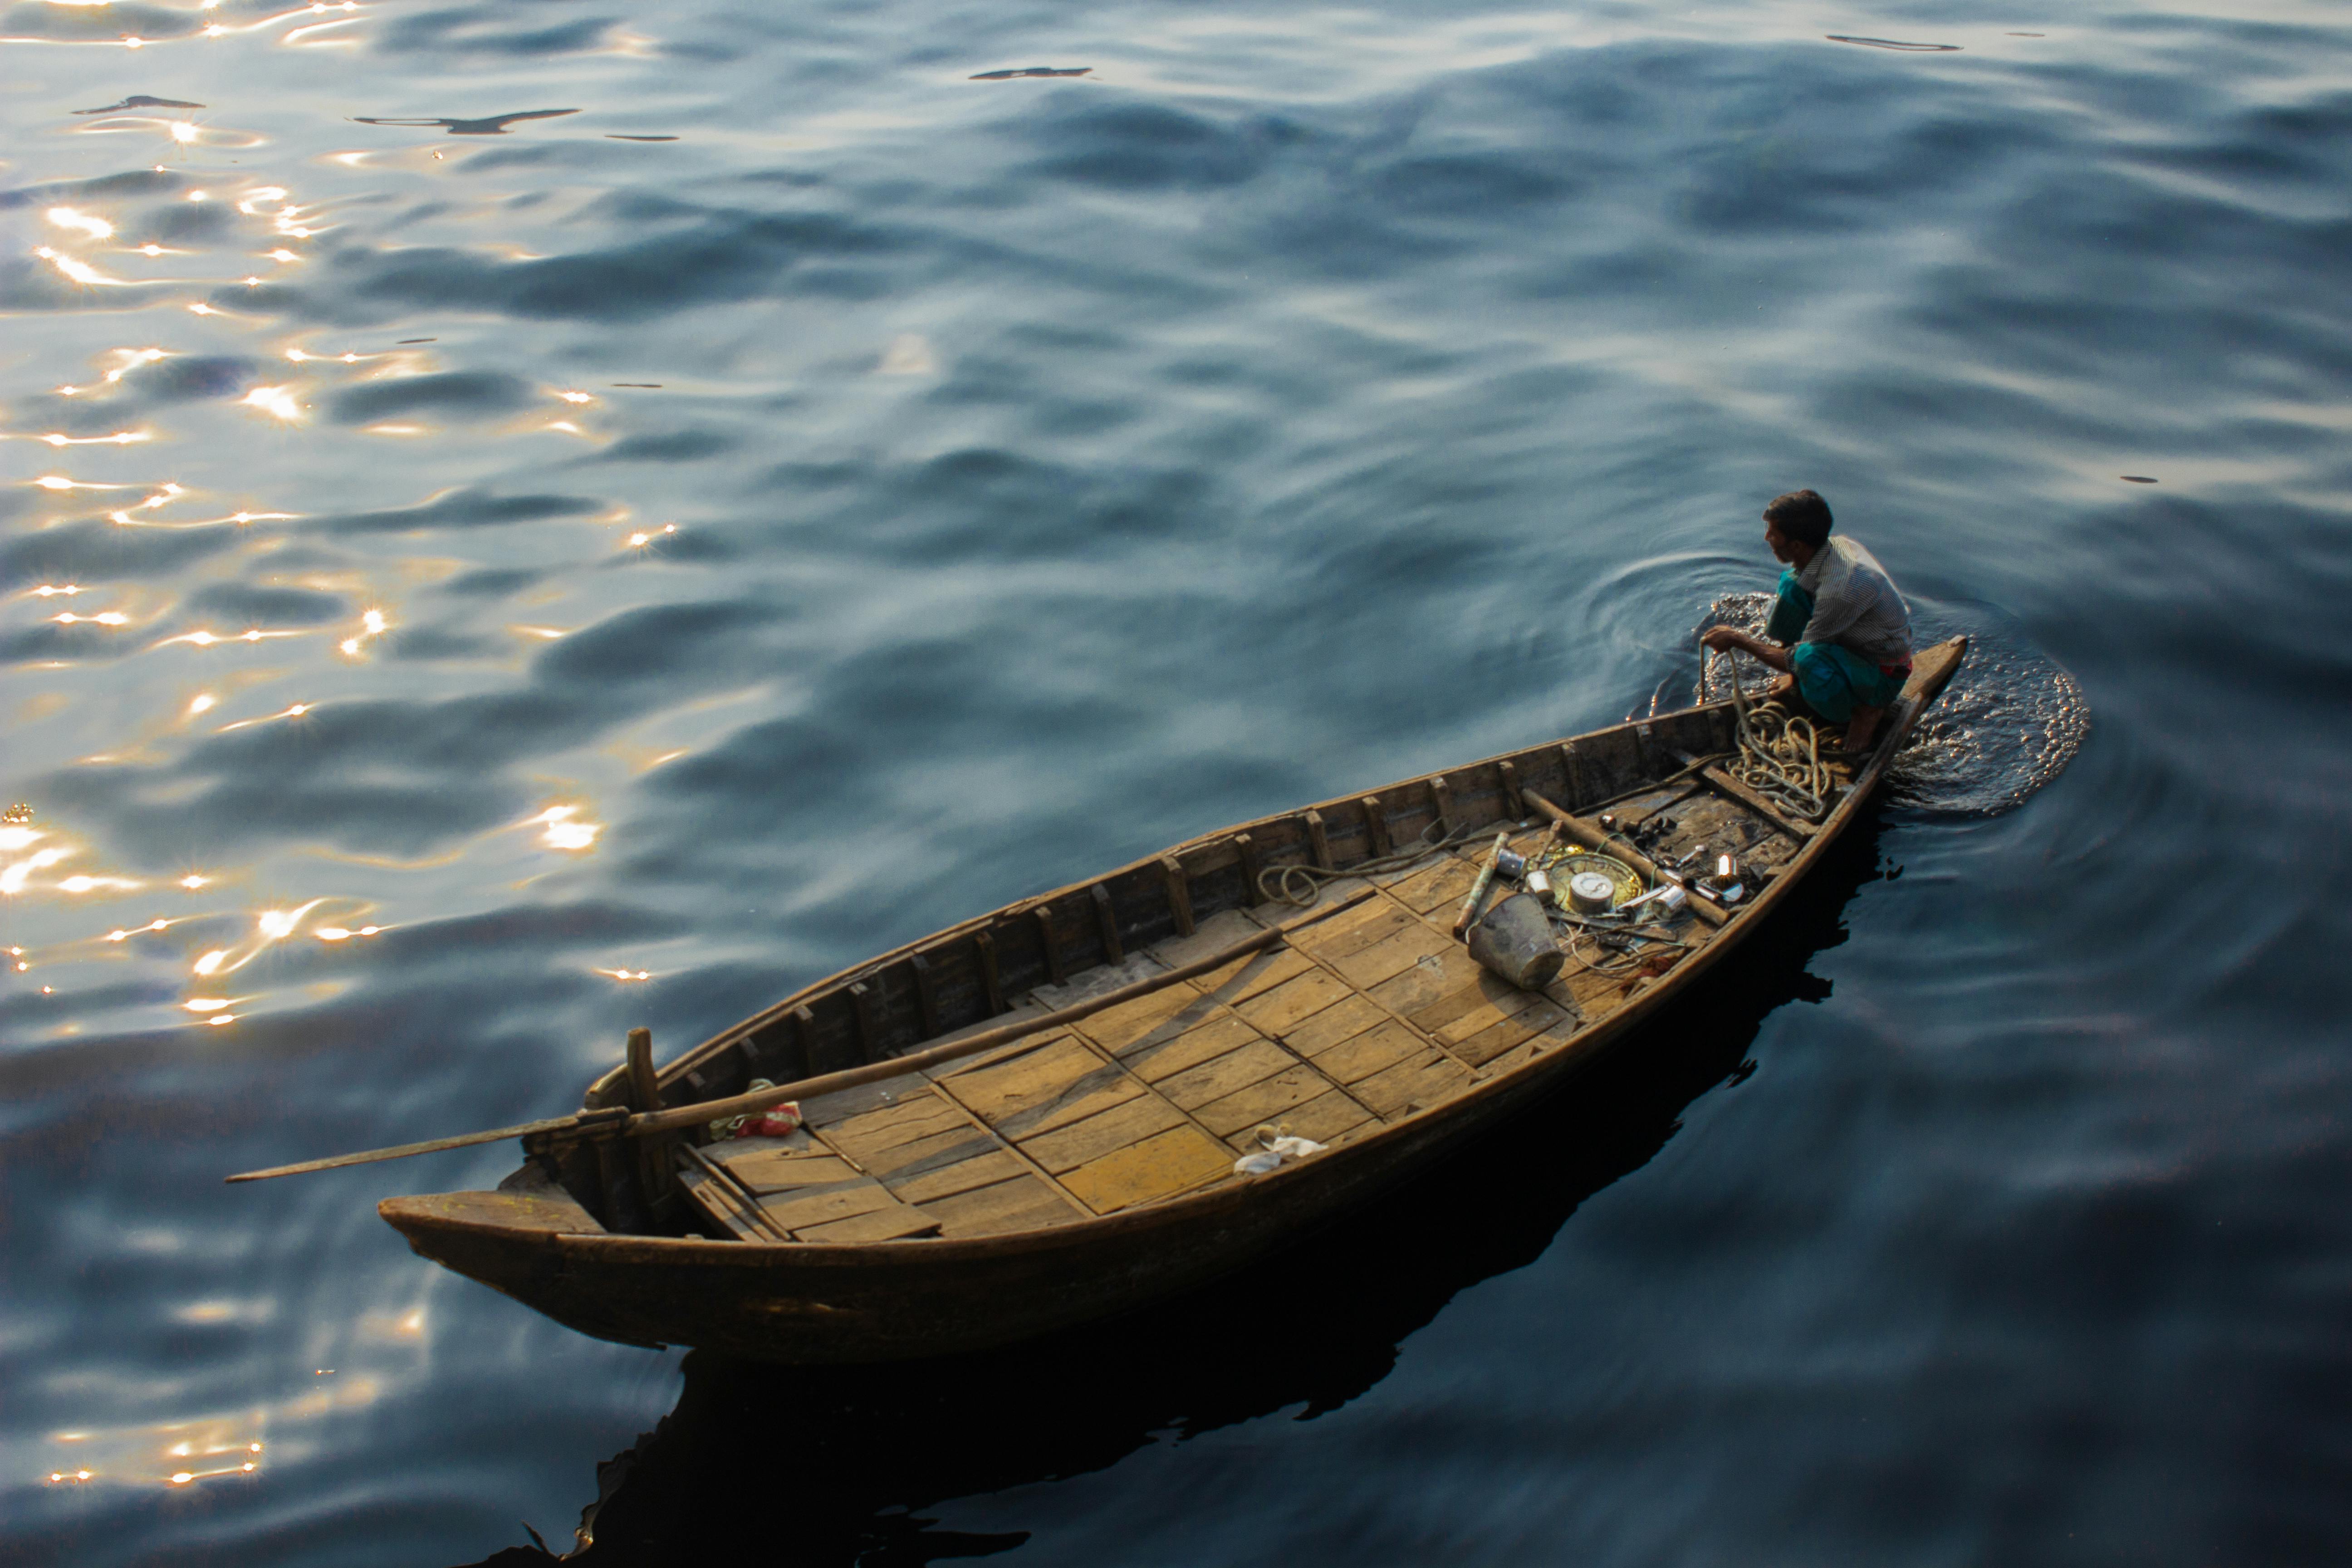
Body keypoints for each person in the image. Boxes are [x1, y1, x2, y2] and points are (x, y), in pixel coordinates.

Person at [1699, 488, 1912, 752]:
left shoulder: (1840, 590)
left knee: (1806, 659)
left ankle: (1867, 711)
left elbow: (1799, 656)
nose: (1766, 538)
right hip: (1855, 637)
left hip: (1882, 670)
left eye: (1773, 534)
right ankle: (1796, 682)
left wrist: (1737, 639)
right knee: (1792, 585)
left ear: (1797, 546)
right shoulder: (1832, 547)